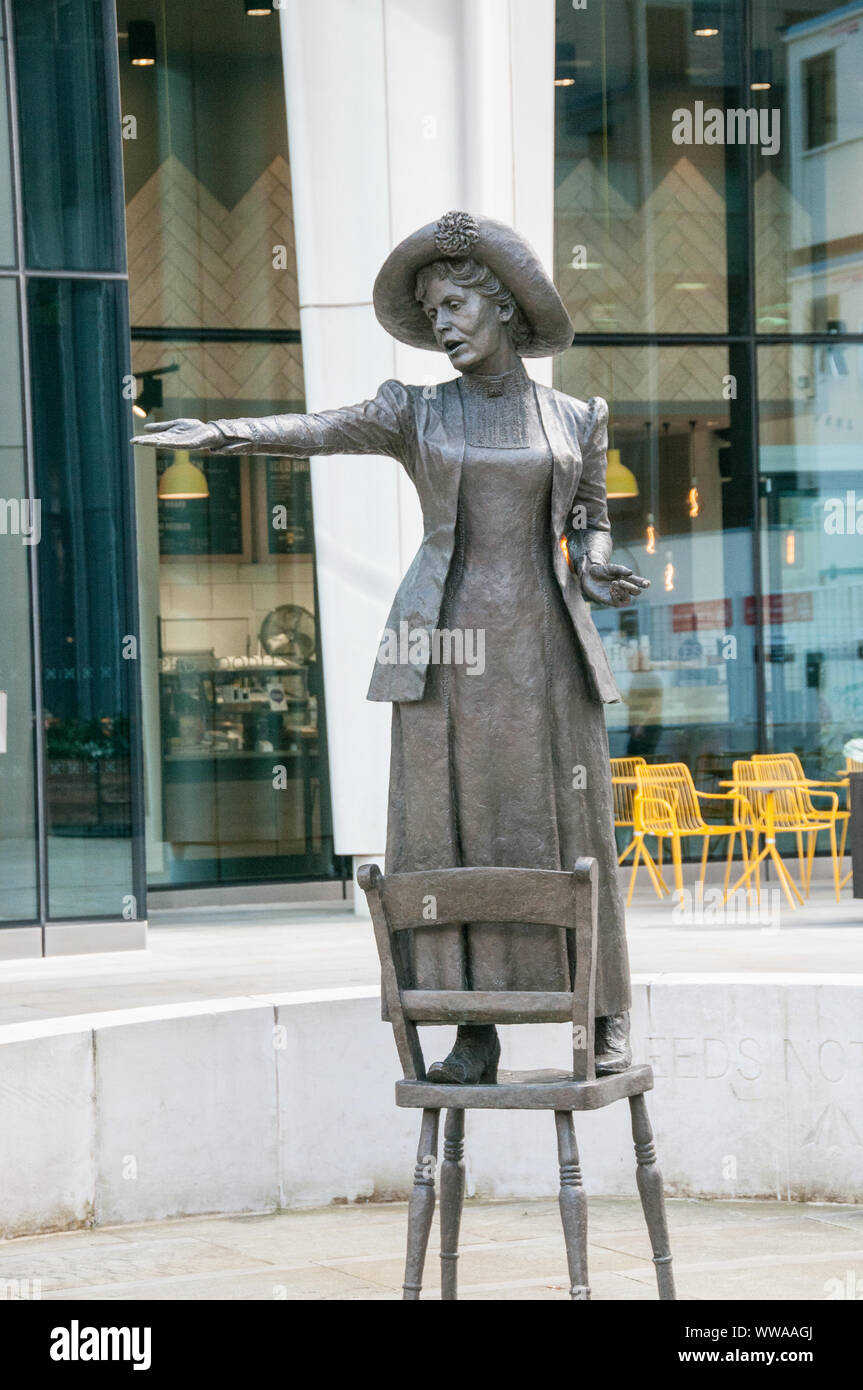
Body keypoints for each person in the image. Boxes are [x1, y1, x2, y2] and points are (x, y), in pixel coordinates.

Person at [134, 211, 649, 1082]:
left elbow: (591, 520)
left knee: (572, 824)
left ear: (504, 309)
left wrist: (599, 566)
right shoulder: (414, 412)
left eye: (455, 305)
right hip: (444, 653)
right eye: (433, 310)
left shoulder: (574, 417)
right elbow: (318, 428)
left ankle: (601, 1013)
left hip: (546, 650)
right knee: (445, 832)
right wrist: (220, 434)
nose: (442, 324)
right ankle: (469, 1031)